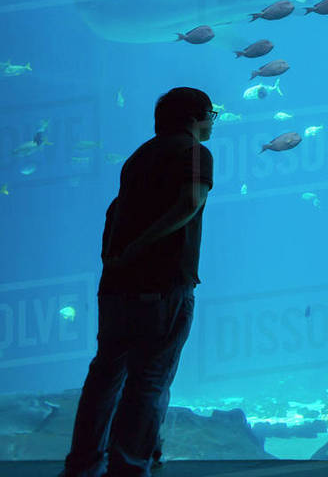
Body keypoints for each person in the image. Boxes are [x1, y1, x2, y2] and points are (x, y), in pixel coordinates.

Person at [60, 87, 215, 477]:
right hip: (162, 284)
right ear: (195, 117)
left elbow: (115, 211)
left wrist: (116, 257)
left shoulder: (139, 156)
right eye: (211, 115)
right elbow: (191, 201)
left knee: (105, 375)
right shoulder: (195, 152)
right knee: (150, 378)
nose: (212, 123)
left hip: (117, 285)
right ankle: (130, 467)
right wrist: (143, 245)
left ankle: (83, 464)